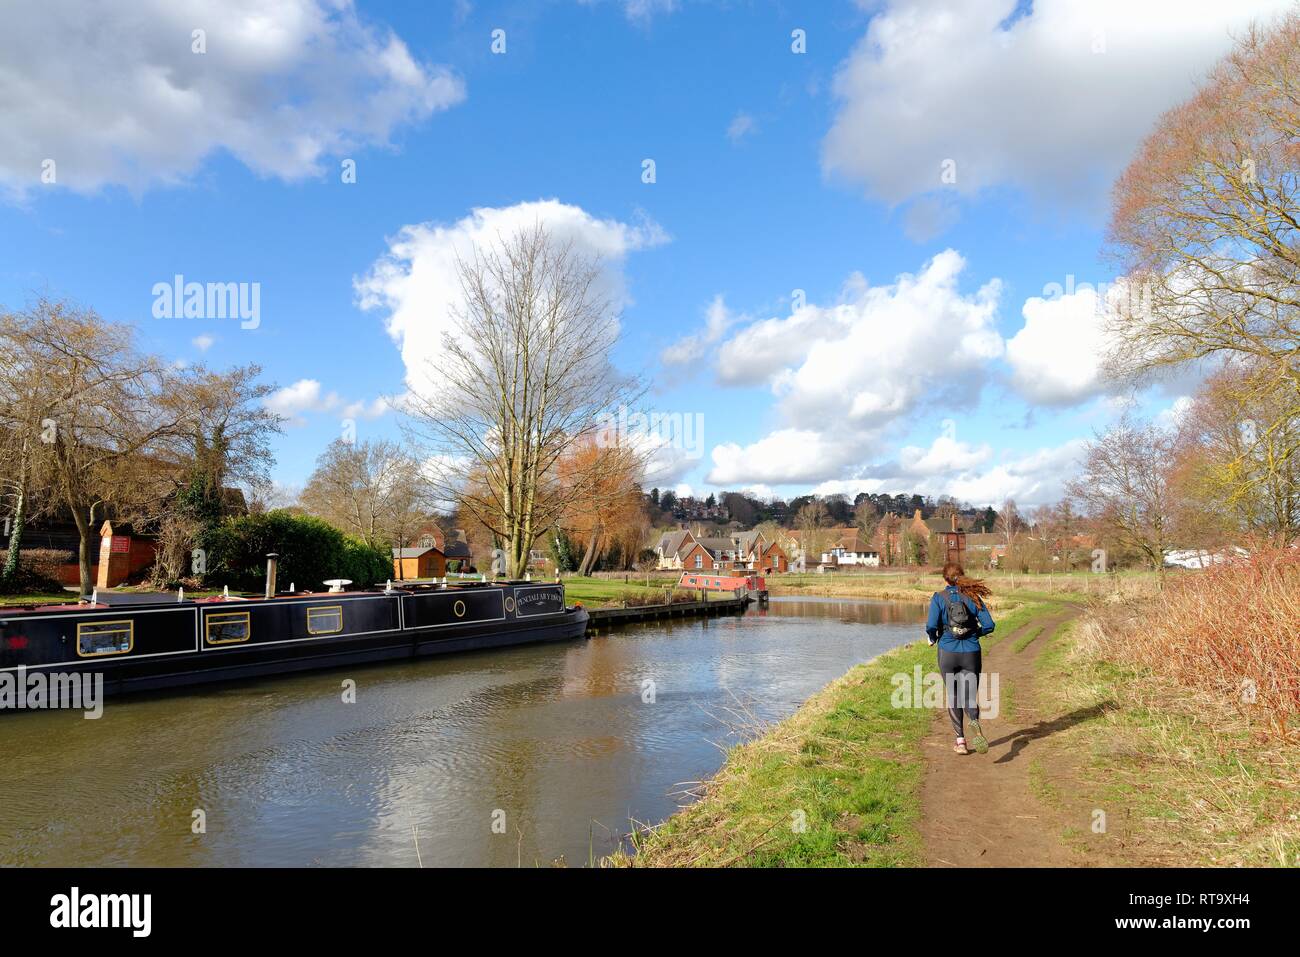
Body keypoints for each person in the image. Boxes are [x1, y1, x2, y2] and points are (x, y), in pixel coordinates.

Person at [925, 562, 995, 755]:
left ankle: (961, 741)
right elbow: (989, 625)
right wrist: (973, 633)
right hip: (971, 652)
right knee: (969, 695)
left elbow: (931, 626)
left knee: (954, 694)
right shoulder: (973, 596)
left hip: (947, 651)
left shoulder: (939, 598)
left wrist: (933, 637)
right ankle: (974, 722)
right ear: (963, 576)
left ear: (944, 579)